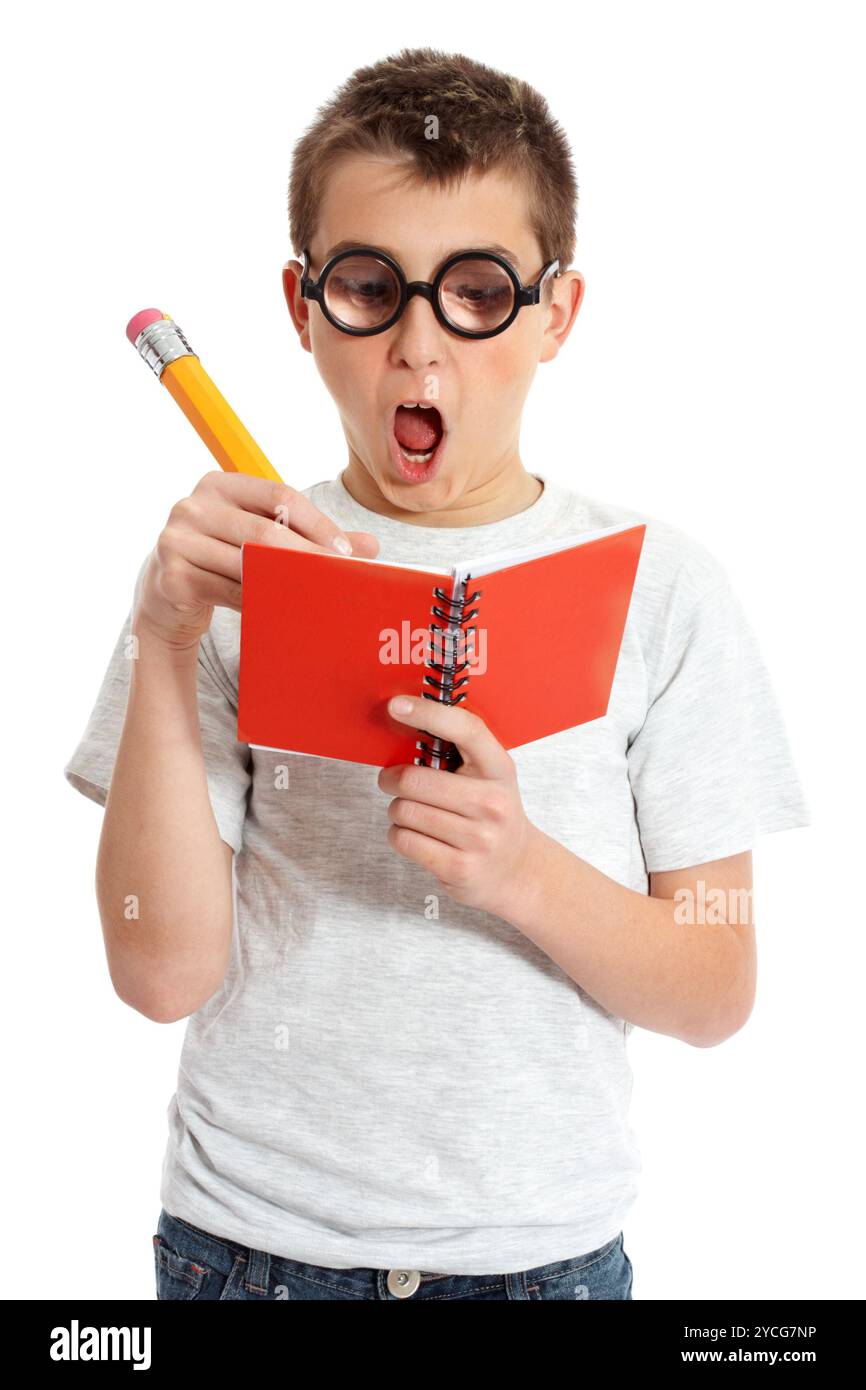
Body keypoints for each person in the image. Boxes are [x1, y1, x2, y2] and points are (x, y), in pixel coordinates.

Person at [64, 47, 810, 1302]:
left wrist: (522, 870)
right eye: (368, 286)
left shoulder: (662, 590)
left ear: (555, 314)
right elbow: (155, 971)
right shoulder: (225, 580)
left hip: (541, 1265)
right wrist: (166, 636)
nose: (418, 348)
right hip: (249, 1252)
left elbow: (714, 987)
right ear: (302, 308)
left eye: (475, 292)